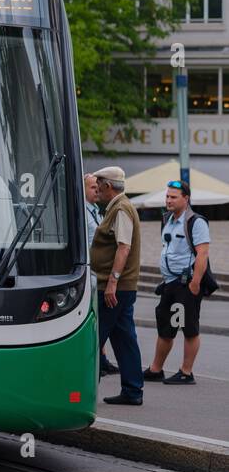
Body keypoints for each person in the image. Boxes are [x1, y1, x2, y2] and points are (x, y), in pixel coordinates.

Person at [146, 180, 210, 385]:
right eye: (167, 196)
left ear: (186, 198)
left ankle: (186, 372)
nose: (168, 200)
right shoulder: (168, 219)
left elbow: (203, 254)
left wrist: (195, 283)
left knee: (189, 327)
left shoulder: (196, 222)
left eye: (173, 197)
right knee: (166, 325)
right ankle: (156, 370)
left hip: (186, 283)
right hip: (170, 283)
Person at [91, 166, 144, 405]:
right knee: (124, 338)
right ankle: (133, 390)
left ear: (107, 186)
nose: (96, 188)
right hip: (123, 287)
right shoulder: (120, 207)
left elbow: (124, 247)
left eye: (98, 184)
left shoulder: (121, 208)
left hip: (114, 287)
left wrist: (112, 281)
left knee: (94, 339)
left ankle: (79, 391)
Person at [84, 173, 119, 376]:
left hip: (100, 270)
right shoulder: (82, 212)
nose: (96, 191)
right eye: (91, 188)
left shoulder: (97, 211)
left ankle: (102, 359)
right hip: (89, 269)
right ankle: (98, 360)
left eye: (97, 188)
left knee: (100, 315)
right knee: (95, 316)